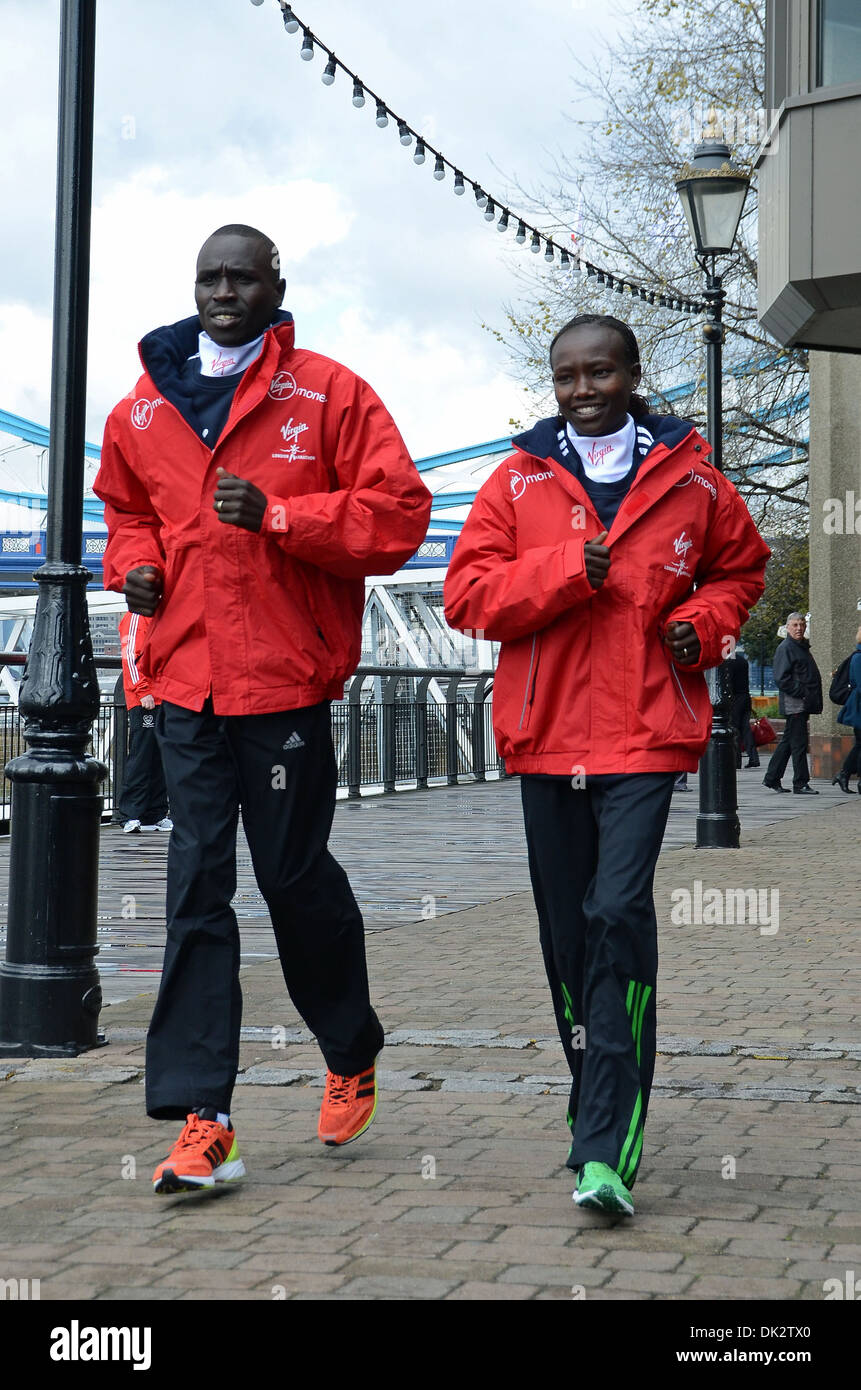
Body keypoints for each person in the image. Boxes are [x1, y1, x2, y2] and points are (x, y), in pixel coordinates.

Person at [94, 224, 432, 1193]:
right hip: (185, 680)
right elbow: (124, 513)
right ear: (192, 286)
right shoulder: (142, 406)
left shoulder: (330, 392)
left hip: (284, 679)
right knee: (196, 886)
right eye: (210, 277)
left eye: (243, 277)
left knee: (290, 875)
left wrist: (285, 515)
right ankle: (205, 1117)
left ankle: (350, 1041)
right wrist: (137, 567)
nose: (224, 291)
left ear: (275, 286)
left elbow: (400, 515)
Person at [444, 313, 769, 1217]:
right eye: (564, 378)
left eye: (599, 374)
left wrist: (700, 627)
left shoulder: (695, 481)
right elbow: (466, 596)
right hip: (545, 737)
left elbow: (741, 572)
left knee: (616, 909)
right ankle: (597, 1095)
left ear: (632, 375)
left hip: (642, 733)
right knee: (564, 932)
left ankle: (604, 1143)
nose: (581, 391)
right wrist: (559, 569)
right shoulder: (514, 482)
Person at [116, 610, 171, 833]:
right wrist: (143, 690)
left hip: (163, 697)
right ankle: (130, 814)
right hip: (145, 698)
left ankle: (155, 813)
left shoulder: (157, 615)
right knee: (142, 755)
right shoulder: (136, 615)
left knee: (160, 756)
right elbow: (130, 655)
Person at [763, 613, 822, 794]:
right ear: (788, 627)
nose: (799, 628)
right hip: (795, 704)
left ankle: (772, 778)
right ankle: (800, 783)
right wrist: (803, 693)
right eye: (795, 625)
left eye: (802, 624)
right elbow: (782, 678)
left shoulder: (801, 647)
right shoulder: (786, 647)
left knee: (788, 742)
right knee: (799, 743)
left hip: (802, 703)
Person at [834, 625, 861, 792]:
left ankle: (846, 775)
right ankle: (844, 773)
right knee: (860, 744)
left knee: (860, 744)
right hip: (859, 708)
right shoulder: (858, 658)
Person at [728, 645, 759, 769]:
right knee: (746, 729)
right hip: (746, 697)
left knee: (734, 729)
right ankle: (754, 758)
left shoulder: (728, 663)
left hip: (735, 699)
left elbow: (729, 683)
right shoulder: (743, 661)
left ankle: (736, 760)